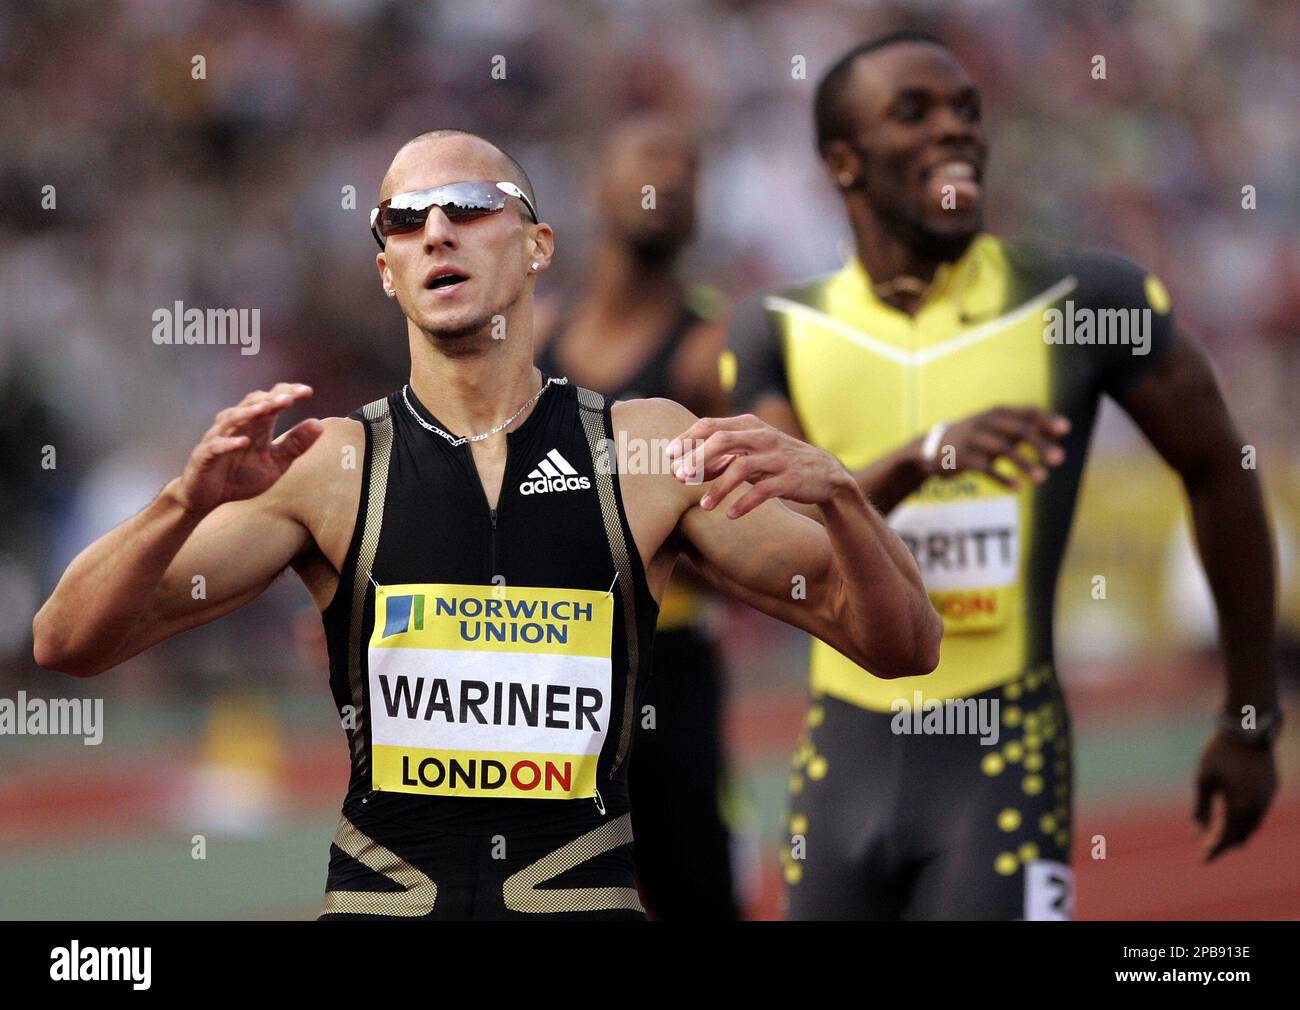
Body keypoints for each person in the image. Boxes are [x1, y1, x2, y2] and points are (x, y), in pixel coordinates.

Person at [33, 128, 941, 921]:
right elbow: (66, 640)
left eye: (468, 205)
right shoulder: (327, 469)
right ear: (387, 273)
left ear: (538, 245)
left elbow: (903, 644)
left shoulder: (646, 451)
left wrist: (842, 497)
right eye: (402, 219)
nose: (435, 230)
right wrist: (182, 501)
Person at [725, 31, 1280, 921]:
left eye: (968, 113)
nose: (957, 132)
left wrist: (1250, 715)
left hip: (1002, 751)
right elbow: (785, 539)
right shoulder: (777, 326)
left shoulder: (1085, 302)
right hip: (839, 762)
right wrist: (922, 455)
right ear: (844, 161)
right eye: (915, 113)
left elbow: (1221, 469)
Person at [535, 117, 738, 918]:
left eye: (690, 163)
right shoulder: (532, 340)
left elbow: (780, 515)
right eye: (650, 156)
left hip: (669, 667)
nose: (672, 176)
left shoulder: (712, 352)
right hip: (545, 664)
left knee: (694, 897)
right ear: (595, 188)